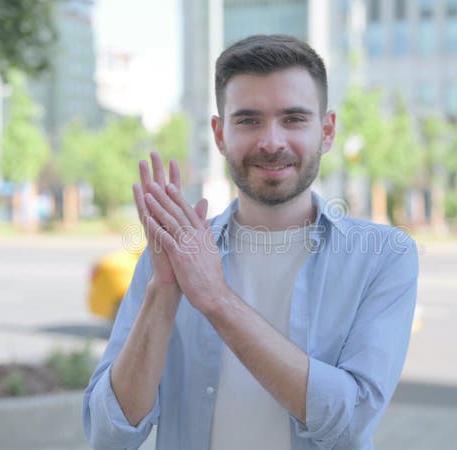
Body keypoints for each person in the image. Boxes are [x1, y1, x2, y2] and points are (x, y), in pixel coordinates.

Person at [83, 34, 419, 450]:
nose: (271, 141)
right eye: (248, 120)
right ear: (220, 134)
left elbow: (350, 423)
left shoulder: (385, 257)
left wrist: (216, 299)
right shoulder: (171, 256)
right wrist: (164, 293)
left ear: (327, 131)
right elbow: (107, 434)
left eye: (293, 119)